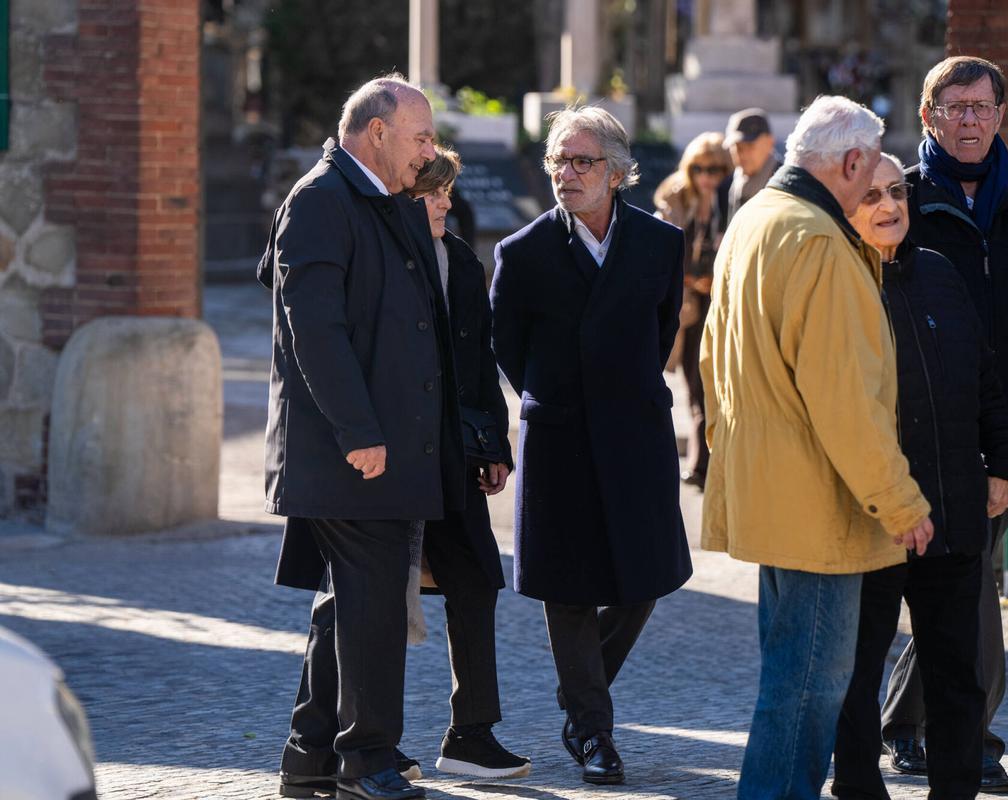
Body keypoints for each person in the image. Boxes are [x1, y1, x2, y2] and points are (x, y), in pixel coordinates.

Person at [700, 95, 934, 800]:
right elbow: (845, 401)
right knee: (806, 692)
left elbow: (713, 361)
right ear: (853, 162)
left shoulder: (754, 220)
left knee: (791, 682)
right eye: (869, 178)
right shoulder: (821, 242)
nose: (876, 194)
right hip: (821, 507)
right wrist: (900, 501)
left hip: (775, 493)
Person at [260, 74, 459, 800]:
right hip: (353, 453)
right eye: (421, 138)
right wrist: (358, 431)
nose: (429, 152)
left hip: (395, 448)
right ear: (377, 132)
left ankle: (309, 757)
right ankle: (366, 761)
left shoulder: (388, 200)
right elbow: (313, 330)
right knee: (373, 608)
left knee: (350, 605)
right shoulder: (317, 200)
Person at [490, 105, 691, 787]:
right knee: (569, 592)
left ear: (617, 172)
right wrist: (557, 398)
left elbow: (662, 334)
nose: (566, 174)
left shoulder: (663, 245)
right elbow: (508, 348)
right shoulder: (521, 254)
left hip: (636, 433)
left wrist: (623, 392)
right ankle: (593, 729)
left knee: (646, 580)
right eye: (557, 160)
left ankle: (583, 689)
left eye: (581, 161)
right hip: (560, 441)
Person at [880, 56, 1008, 793]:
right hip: (917, 424)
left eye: (981, 107)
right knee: (958, 580)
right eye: (953, 107)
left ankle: (922, 723)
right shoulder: (906, 198)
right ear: (928, 116)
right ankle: (964, 734)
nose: (968, 120)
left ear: (1001, 115)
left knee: (969, 578)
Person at [832, 153, 1008, 799]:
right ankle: (859, 788)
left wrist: (1004, 463)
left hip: (953, 513)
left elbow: (985, 379)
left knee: (957, 677)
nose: (889, 206)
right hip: (872, 522)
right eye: (872, 195)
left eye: (897, 193)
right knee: (858, 675)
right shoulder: (836, 284)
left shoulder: (940, 272)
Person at [403, 146, 530, 780]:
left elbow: (479, 365)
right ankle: (360, 739)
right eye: (435, 194)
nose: (448, 204)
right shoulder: (387, 264)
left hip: (455, 457)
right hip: (394, 463)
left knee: (478, 579)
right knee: (373, 600)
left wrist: (492, 447)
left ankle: (469, 736)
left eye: (448, 194)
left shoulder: (459, 258)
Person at [653, 131, 733, 489]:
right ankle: (703, 464)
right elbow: (661, 252)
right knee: (694, 382)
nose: (706, 175)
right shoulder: (675, 198)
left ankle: (706, 464)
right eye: (699, 167)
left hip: (720, 302)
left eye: (715, 168)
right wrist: (689, 281)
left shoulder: (732, 200)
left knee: (713, 383)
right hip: (686, 305)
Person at [722, 107, 781, 220]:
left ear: (769, 142)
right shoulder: (730, 183)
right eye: (738, 147)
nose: (742, 155)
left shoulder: (784, 183)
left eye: (749, 146)